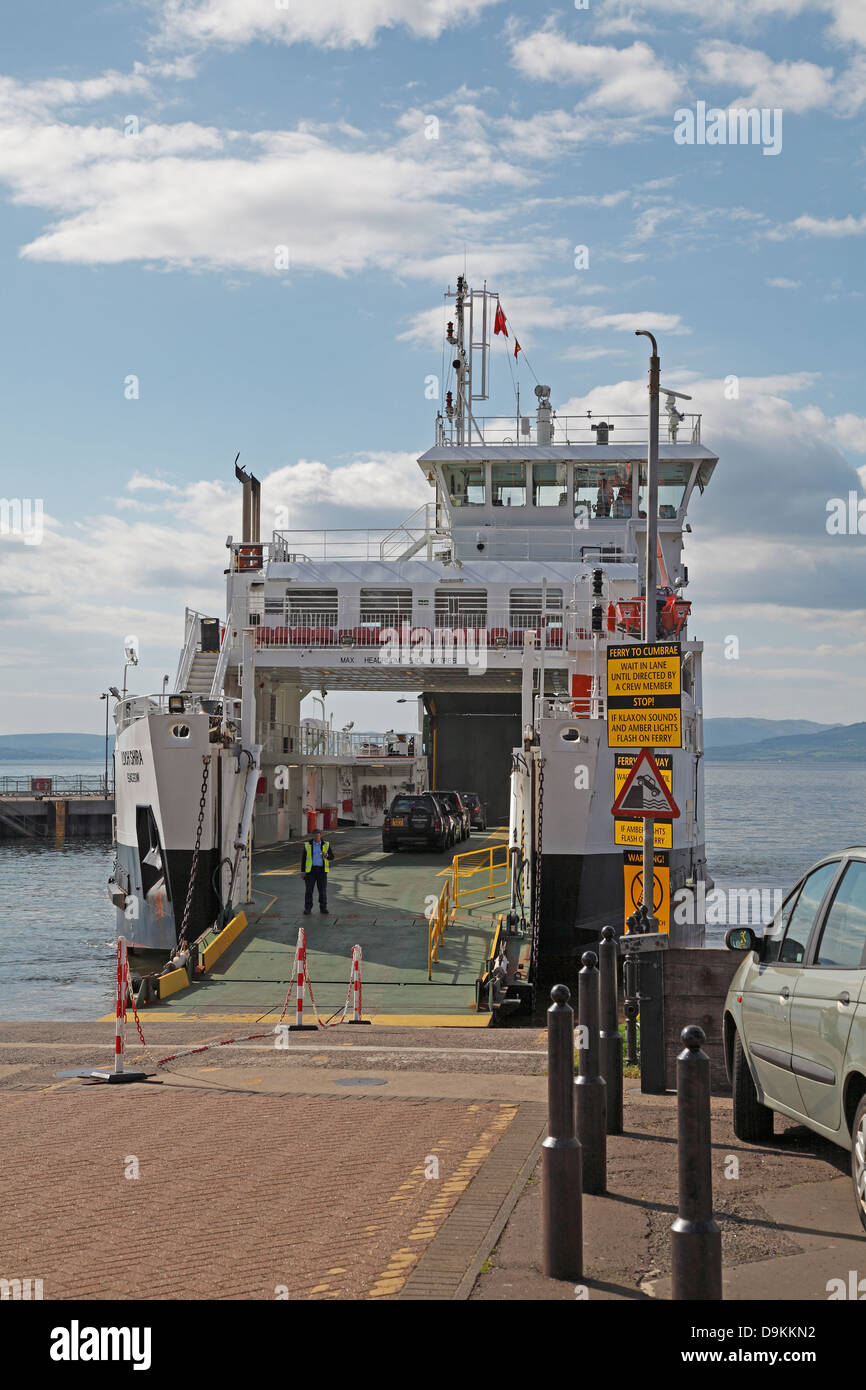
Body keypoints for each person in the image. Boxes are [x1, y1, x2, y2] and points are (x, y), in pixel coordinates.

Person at [300, 828, 334, 915]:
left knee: (322, 891)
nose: (316, 837)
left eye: (318, 836)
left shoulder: (326, 844)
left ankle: (323, 908)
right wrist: (303, 871)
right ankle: (308, 908)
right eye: (315, 836)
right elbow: (303, 859)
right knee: (309, 891)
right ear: (313, 836)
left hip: (322, 871)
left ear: (320, 836)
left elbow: (332, 857)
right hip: (310, 871)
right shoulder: (308, 845)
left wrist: (326, 855)